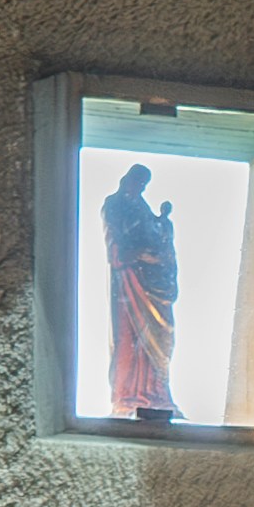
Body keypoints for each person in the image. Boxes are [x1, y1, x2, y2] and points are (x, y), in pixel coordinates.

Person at [98, 152, 188, 424]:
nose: (139, 188)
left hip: (153, 281)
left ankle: (156, 394)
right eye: (137, 182)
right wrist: (140, 254)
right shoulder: (114, 205)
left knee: (161, 334)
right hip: (130, 281)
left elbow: (155, 235)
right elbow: (116, 245)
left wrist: (163, 223)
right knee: (130, 337)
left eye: (143, 185)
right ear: (127, 180)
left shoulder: (141, 206)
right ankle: (128, 396)